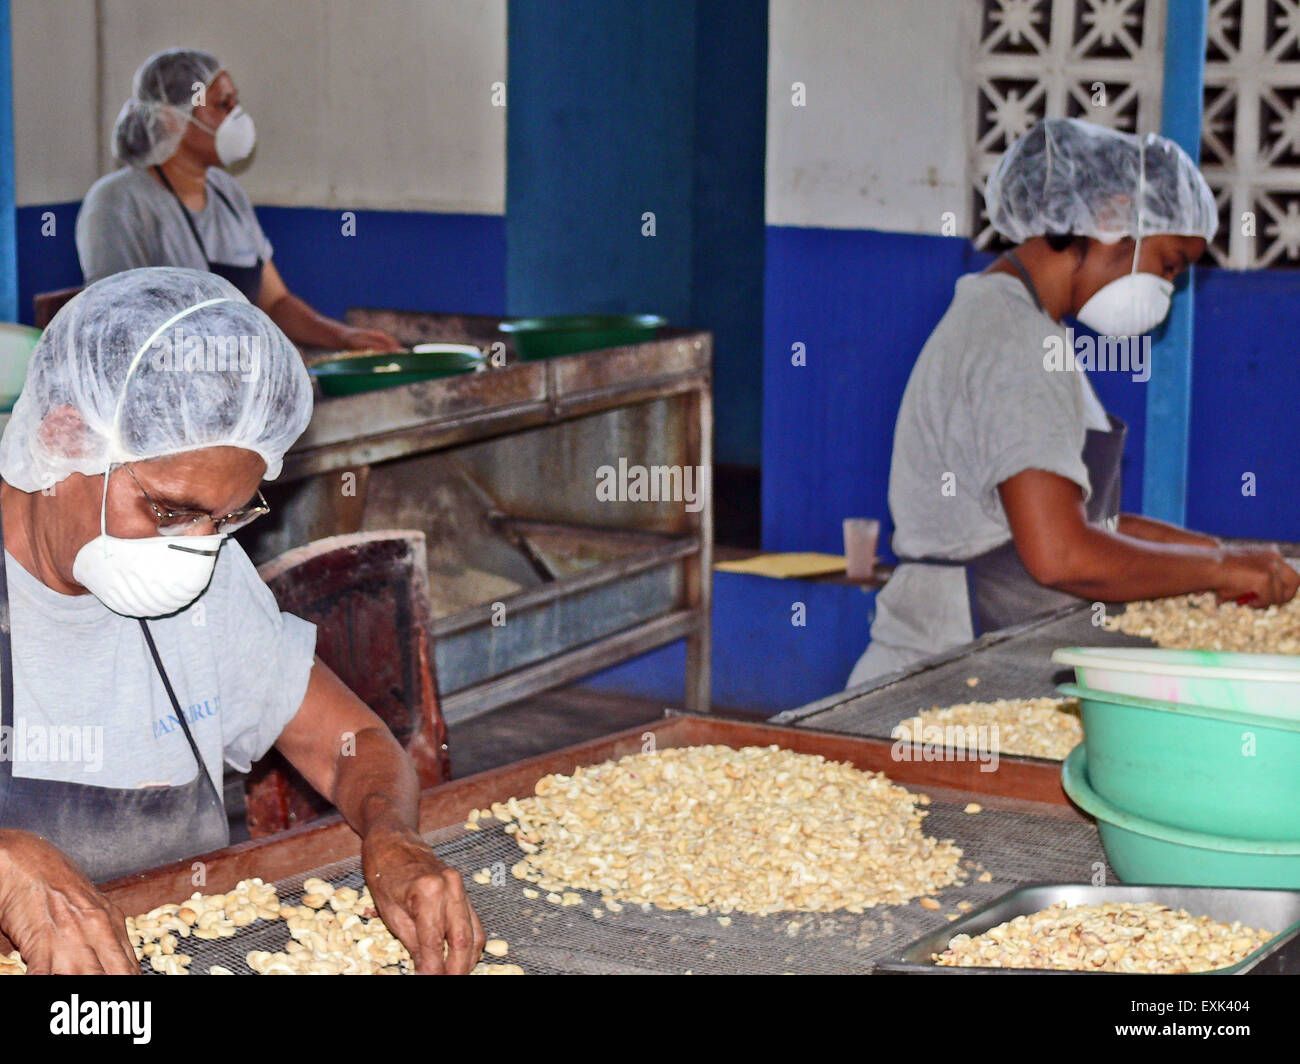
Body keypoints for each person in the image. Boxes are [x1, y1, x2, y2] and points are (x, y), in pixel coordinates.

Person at [0, 267, 481, 974]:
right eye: (169, 510)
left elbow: (348, 739)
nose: (196, 548)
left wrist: (390, 831)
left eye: (226, 518)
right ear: (67, 434)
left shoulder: (206, 578)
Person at [848, 117, 1299, 687]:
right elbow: (1062, 553)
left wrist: (1230, 556)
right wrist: (1217, 568)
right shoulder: (1016, 341)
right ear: (1110, 218)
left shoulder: (1022, 324)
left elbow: (1094, 523)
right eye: (1168, 266)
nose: (1166, 292)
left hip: (975, 660)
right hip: (945, 674)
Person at [75, 48, 398, 354]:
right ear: (171, 118)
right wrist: (251, 357)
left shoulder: (226, 192)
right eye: (222, 105)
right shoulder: (117, 202)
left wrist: (343, 336)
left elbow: (275, 303)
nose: (236, 117)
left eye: (235, 104)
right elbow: (119, 325)